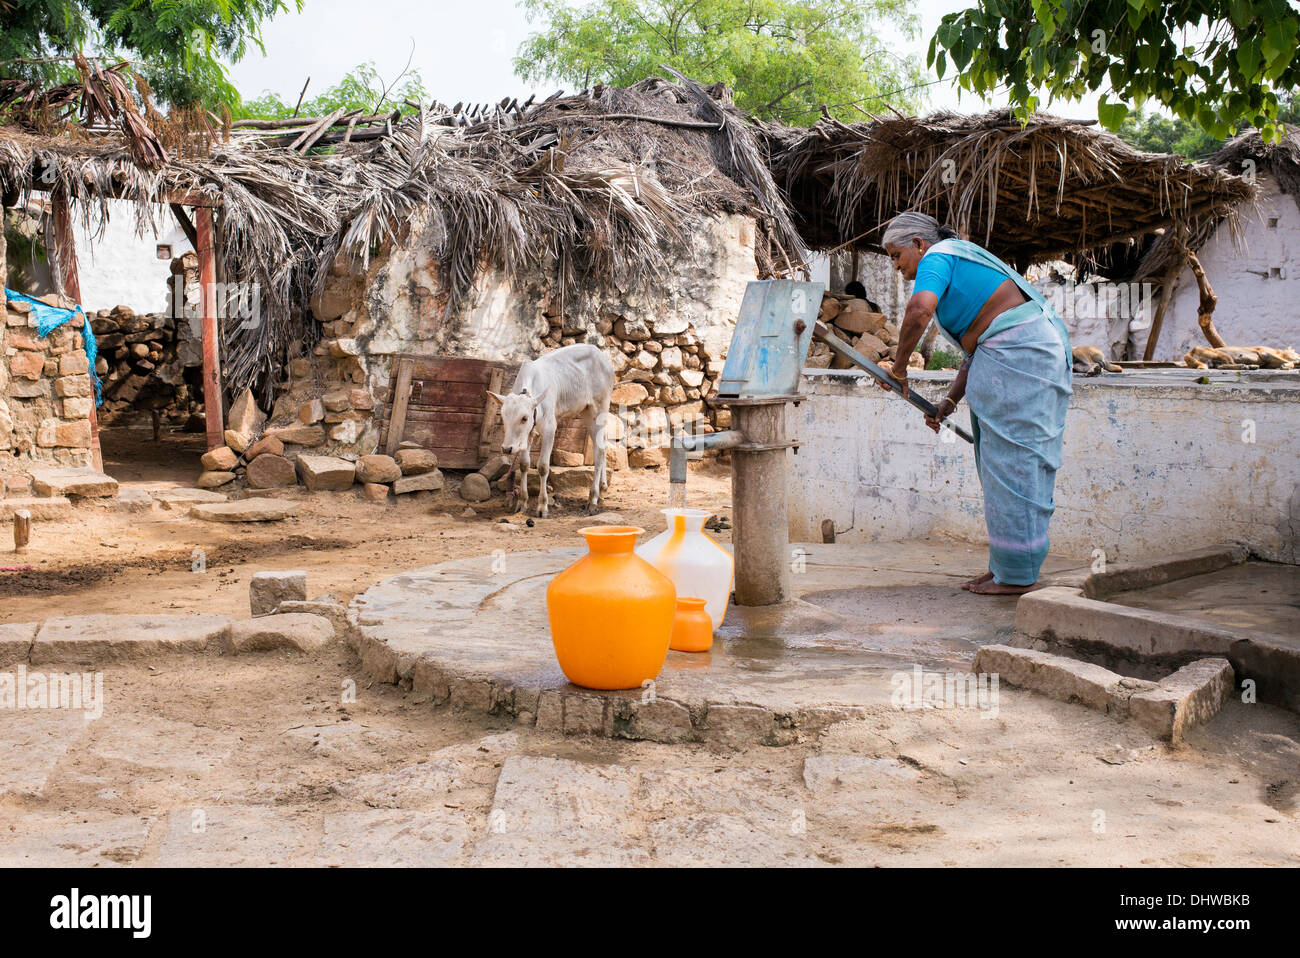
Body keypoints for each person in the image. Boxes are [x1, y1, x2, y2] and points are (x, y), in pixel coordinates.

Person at [879, 212, 1072, 595]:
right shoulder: (955, 262)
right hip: (1011, 356)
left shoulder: (939, 256)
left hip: (1023, 355)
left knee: (1014, 466)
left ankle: (1018, 577)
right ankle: (1006, 567)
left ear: (918, 244)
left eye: (896, 254)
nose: (896, 265)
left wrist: (899, 368)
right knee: (1000, 468)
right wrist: (948, 403)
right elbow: (975, 352)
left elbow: (919, 311)